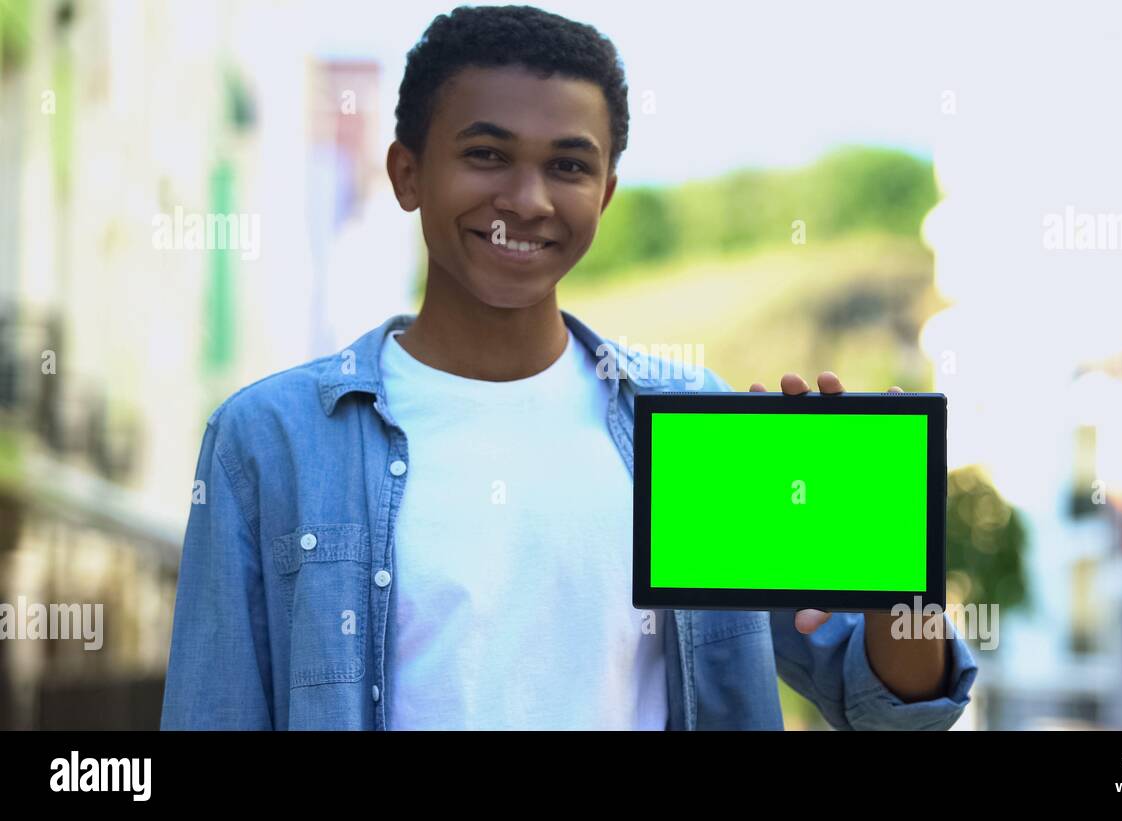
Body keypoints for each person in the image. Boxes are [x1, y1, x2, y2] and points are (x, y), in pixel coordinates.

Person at [161, 4, 977, 730]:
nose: (528, 199)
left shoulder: (696, 423)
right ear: (406, 173)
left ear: (608, 192)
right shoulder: (270, 439)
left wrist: (889, 573)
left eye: (569, 165)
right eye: (486, 154)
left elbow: (889, 709)